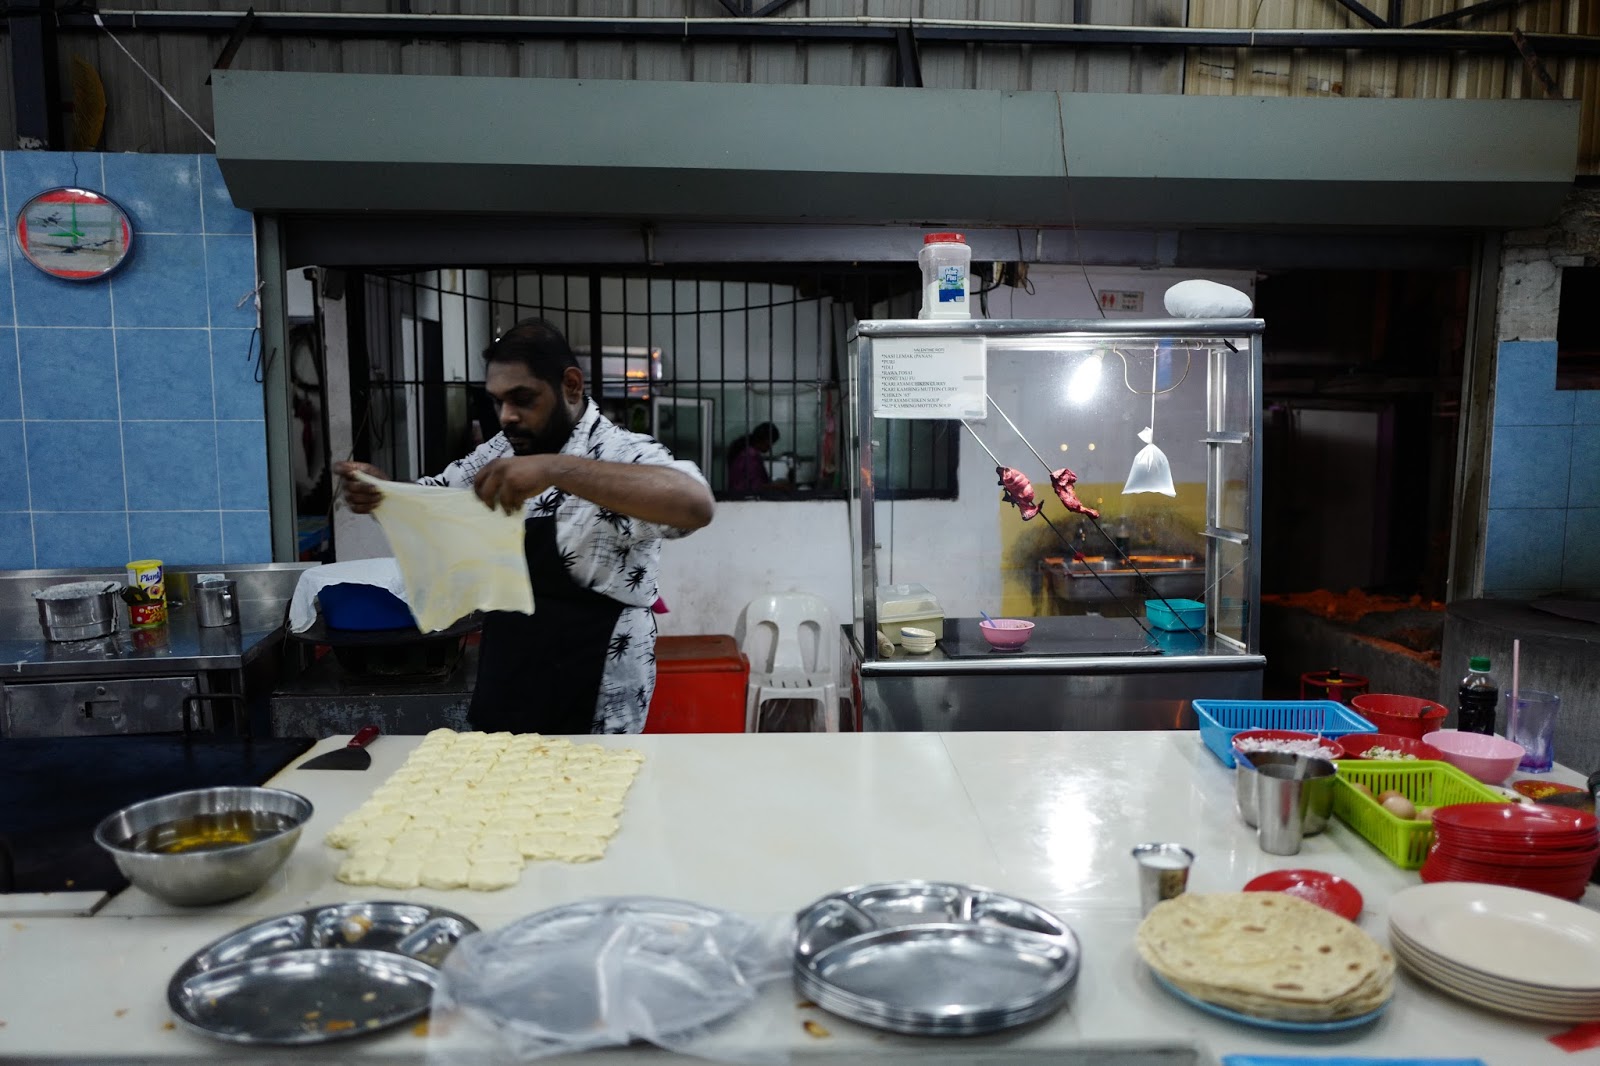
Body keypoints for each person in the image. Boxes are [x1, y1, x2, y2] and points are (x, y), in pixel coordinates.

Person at [334, 319, 714, 735]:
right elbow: (439, 498)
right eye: (497, 401)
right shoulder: (502, 449)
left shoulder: (618, 451)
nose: (507, 416)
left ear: (571, 385)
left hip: (596, 686)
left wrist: (556, 469)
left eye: (522, 399)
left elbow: (694, 504)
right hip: (510, 671)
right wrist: (384, 492)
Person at [727, 422, 780, 494]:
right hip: (743, 497)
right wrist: (779, 487)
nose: (771, 446)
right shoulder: (750, 456)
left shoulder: (746, 452)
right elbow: (755, 486)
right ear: (766, 440)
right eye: (771, 442)